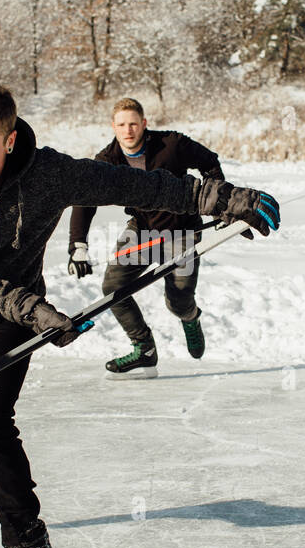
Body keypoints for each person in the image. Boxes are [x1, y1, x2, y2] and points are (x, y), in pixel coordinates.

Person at [0, 82, 281, 548]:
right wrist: (36, 311)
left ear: (9, 141)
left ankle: (29, 545)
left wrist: (225, 198)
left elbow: (139, 187)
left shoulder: (48, 174)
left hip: (10, 318)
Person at [67, 98, 229, 377]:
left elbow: (209, 161)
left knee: (178, 300)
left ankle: (190, 318)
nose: (127, 130)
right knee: (113, 289)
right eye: (121, 125)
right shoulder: (107, 160)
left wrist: (220, 202)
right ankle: (144, 349)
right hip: (142, 231)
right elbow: (84, 199)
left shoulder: (172, 144)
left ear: (144, 124)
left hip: (184, 233)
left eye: (133, 124)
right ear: (113, 127)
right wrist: (77, 245)